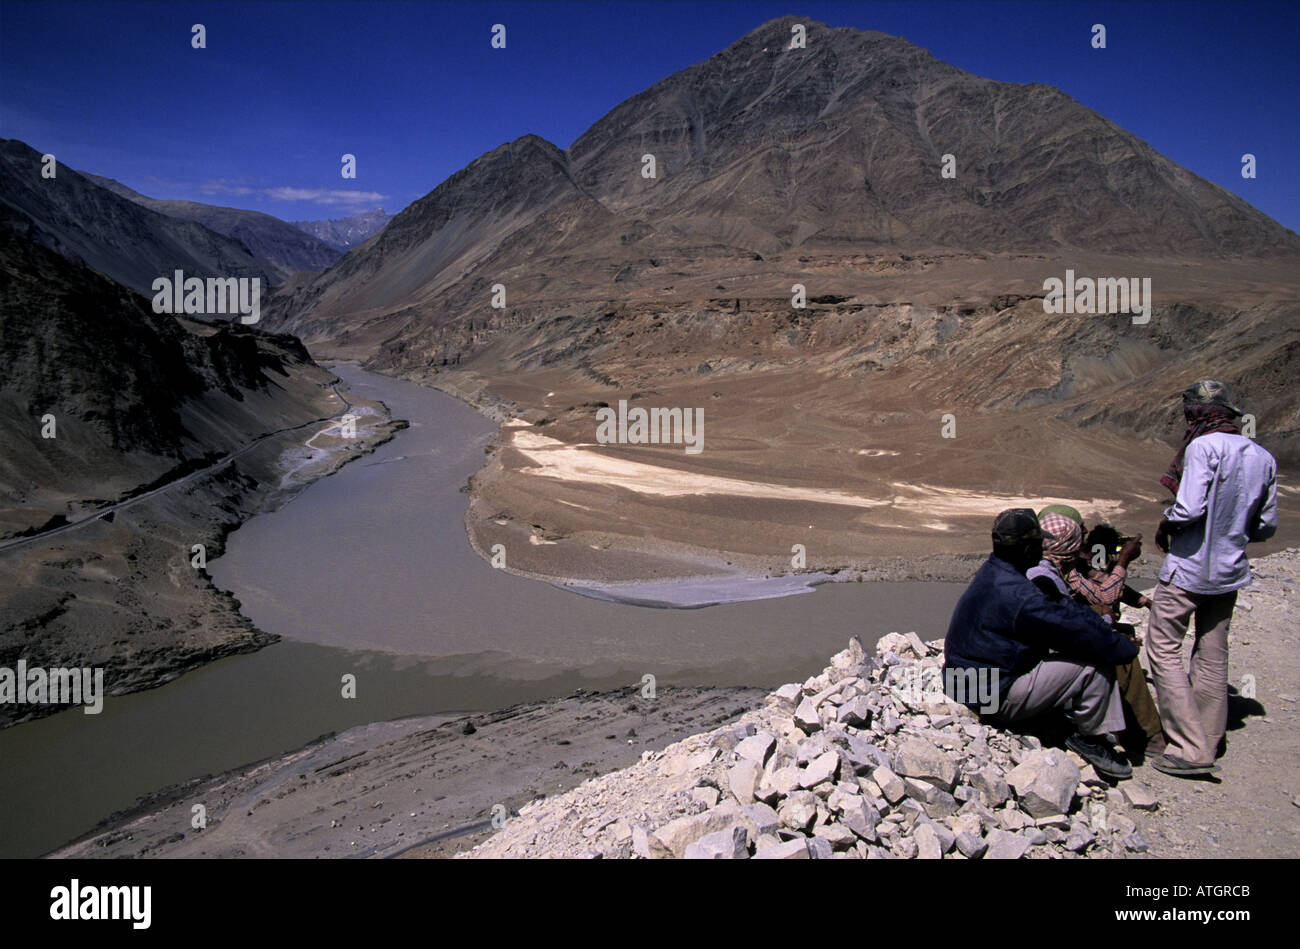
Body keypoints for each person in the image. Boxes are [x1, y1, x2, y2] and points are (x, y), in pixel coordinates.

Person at [943, 508, 1139, 780]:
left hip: (960, 681)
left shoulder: (993, 571)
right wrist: (1124, 647)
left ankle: (1045, 717)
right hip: (985, 695)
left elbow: (1063, 610)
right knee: (1096, 663)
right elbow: (1076, 632)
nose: (1043, 549)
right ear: (1026, 550)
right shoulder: (1021, 595)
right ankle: (1092, 739)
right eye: (1038, 544)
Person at [1146, 381, 1278, 778]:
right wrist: (1233, 532)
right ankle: (1209, 734)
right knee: (1213, 652)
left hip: (1188, 569)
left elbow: (1188, 508)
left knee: (1163, 650)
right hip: (1229, 572)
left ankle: (1188, 747)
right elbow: (1267, 526)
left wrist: (1166, 523)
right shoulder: (1262, 456)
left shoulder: (1201, 448)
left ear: (1197, 414)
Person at [1027, 506, 1165, 757]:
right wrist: (1122, 563)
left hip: (1052, 635)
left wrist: (1140, 601)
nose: (1083, 536)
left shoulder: (1053, 563)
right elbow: (1103, 595)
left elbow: (1101, 586)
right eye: (1078, 532)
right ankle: (1145, 736)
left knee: (1115, 634)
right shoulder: (1050, 572)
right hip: (1043, 650)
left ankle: (1136, 729)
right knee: (1118, 650)